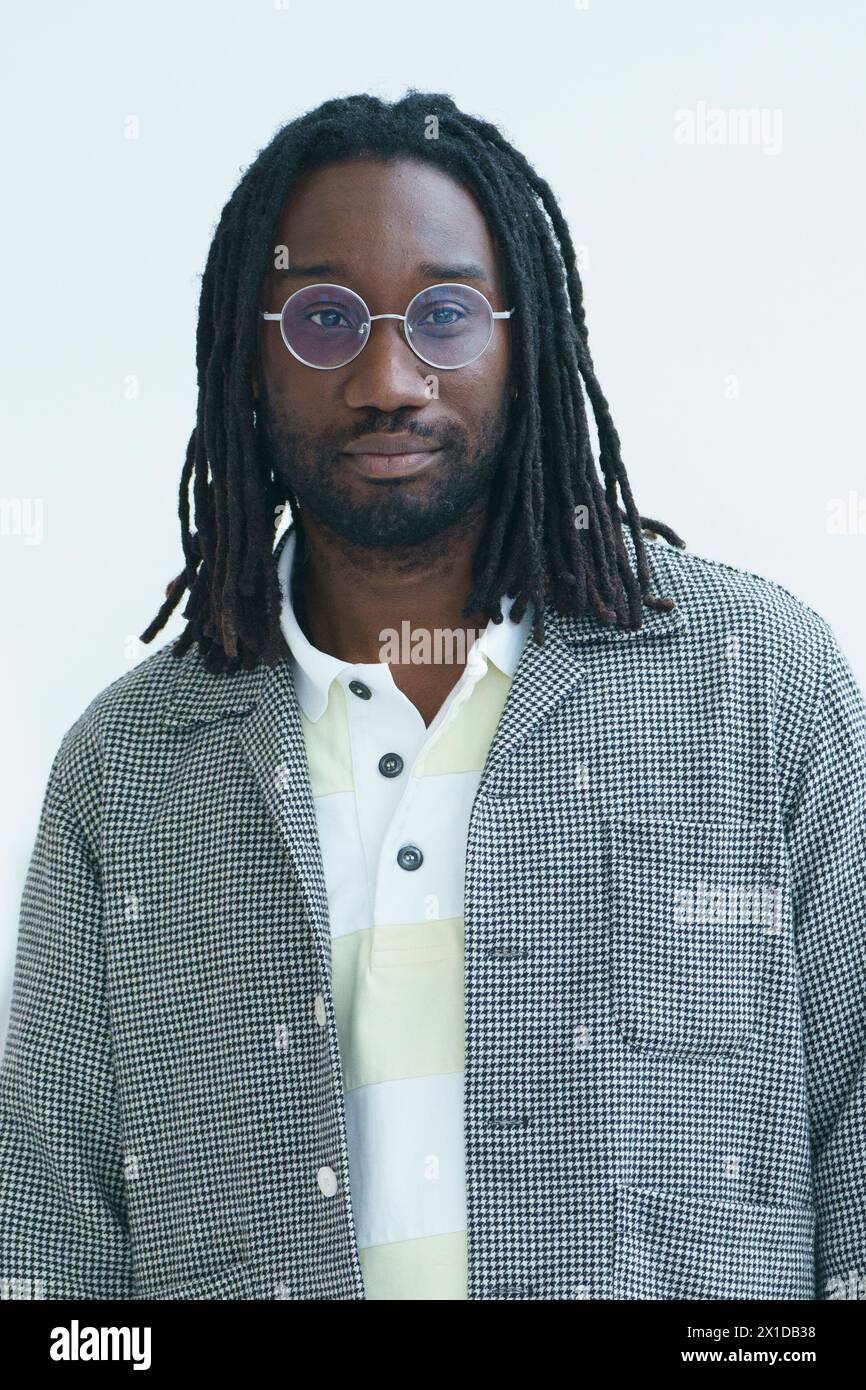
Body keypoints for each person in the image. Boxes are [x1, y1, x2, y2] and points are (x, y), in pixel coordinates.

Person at [1, 90, 864, 1302]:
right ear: (245, 358)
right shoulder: (129, 765)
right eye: (321, 319)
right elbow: (49, 1227)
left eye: (445, 314)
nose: (387, 379)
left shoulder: (757, 687)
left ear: (528, 341)